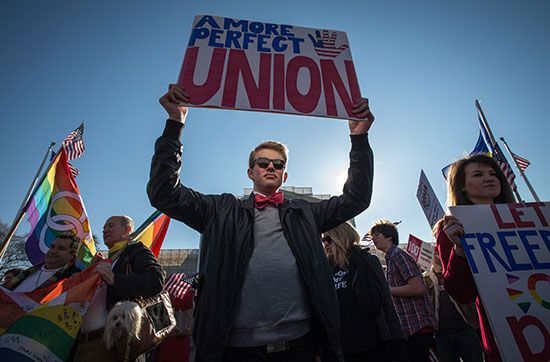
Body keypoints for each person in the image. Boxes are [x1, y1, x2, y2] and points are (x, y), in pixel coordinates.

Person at [148, 84, 375, 362]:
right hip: (235, 349)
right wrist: (175, 123)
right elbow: (164, 193)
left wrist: (359, 138)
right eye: (263, 162)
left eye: (278, 164)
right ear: (250, 171)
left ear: (284, 175)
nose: (271, 167)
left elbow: (356, 198)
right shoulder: (219, 210)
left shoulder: (307, 213)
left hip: (300, 346)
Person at [435, 153, 515, 362]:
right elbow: (461, 293)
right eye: (478, 174)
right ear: (462, 186)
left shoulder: (528, 218)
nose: (489, 178)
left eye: (493, 173)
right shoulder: (451, 229)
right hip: (504, 327)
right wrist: (460, 249)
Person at [74, 215, 165, 361]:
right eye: (104, 228)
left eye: (110, 226)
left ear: (127, 230)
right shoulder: (106, 260)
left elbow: (156, 281)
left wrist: (115, 279)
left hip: (116, 344)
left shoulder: (136, 250)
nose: (105, 230)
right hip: (85, 344)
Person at [322, 221, 407, 362]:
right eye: (323, 239)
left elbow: (386, 304)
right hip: (339, 348)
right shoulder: (325, 269)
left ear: (340, 237)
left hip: (369, 345)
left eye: (328, 238)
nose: (325, 243)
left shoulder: (366, 261)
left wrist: (397, 342)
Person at [370, 220, 436, 362]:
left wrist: (386, 290)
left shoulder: (399, 256)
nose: (373, 239)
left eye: (377, 235)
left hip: (418, 327)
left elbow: (418, 287)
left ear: (389, 237)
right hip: (409, 328)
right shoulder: (391, 258)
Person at [423, 249, 483, 362]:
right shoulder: (426, 279)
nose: (438, 257)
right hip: (442, 334)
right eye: (436, 254)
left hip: (465, 329)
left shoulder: (454, 272)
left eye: (440, 254)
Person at [4, 234, 81, 292]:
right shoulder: (26, 273)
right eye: (52, 247)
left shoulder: (74, 278)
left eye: (61, 249)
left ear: (72, 254)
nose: (53, 251)